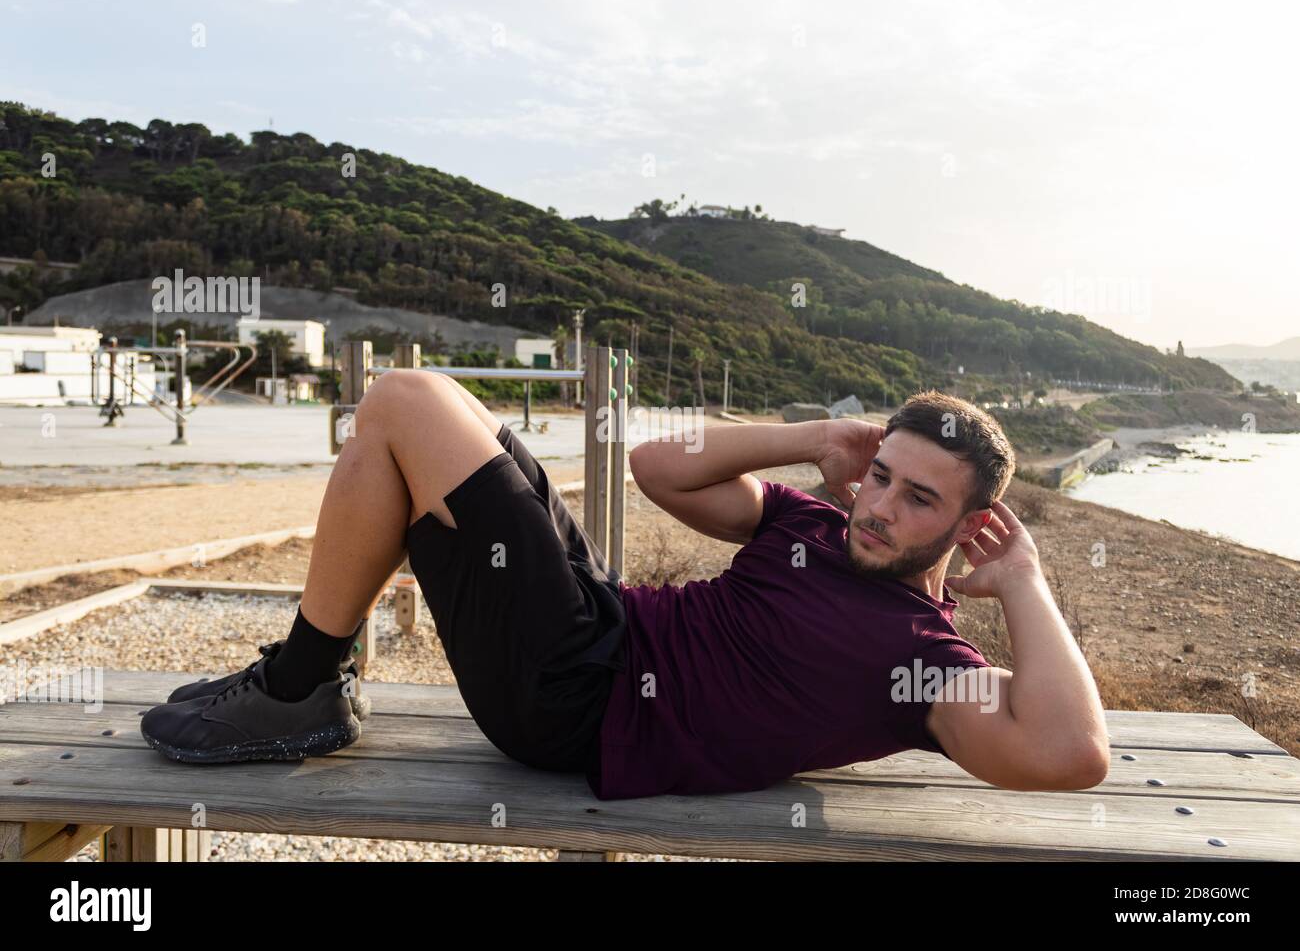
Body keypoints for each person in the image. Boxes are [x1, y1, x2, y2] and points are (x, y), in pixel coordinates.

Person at [142, 374, 1109, 800]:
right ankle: (307, 683)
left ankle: (300, 686)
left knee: (406, 400)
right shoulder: (819, 520)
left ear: (971, 524)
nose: (880, 505)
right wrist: (815, 443)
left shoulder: (923, 657)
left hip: (575, 704)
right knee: (392, 438)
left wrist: (1024, 584)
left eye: (917, 498)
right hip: (595, 626)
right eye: (883, 474)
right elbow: (656, 464)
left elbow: (1072, 754)